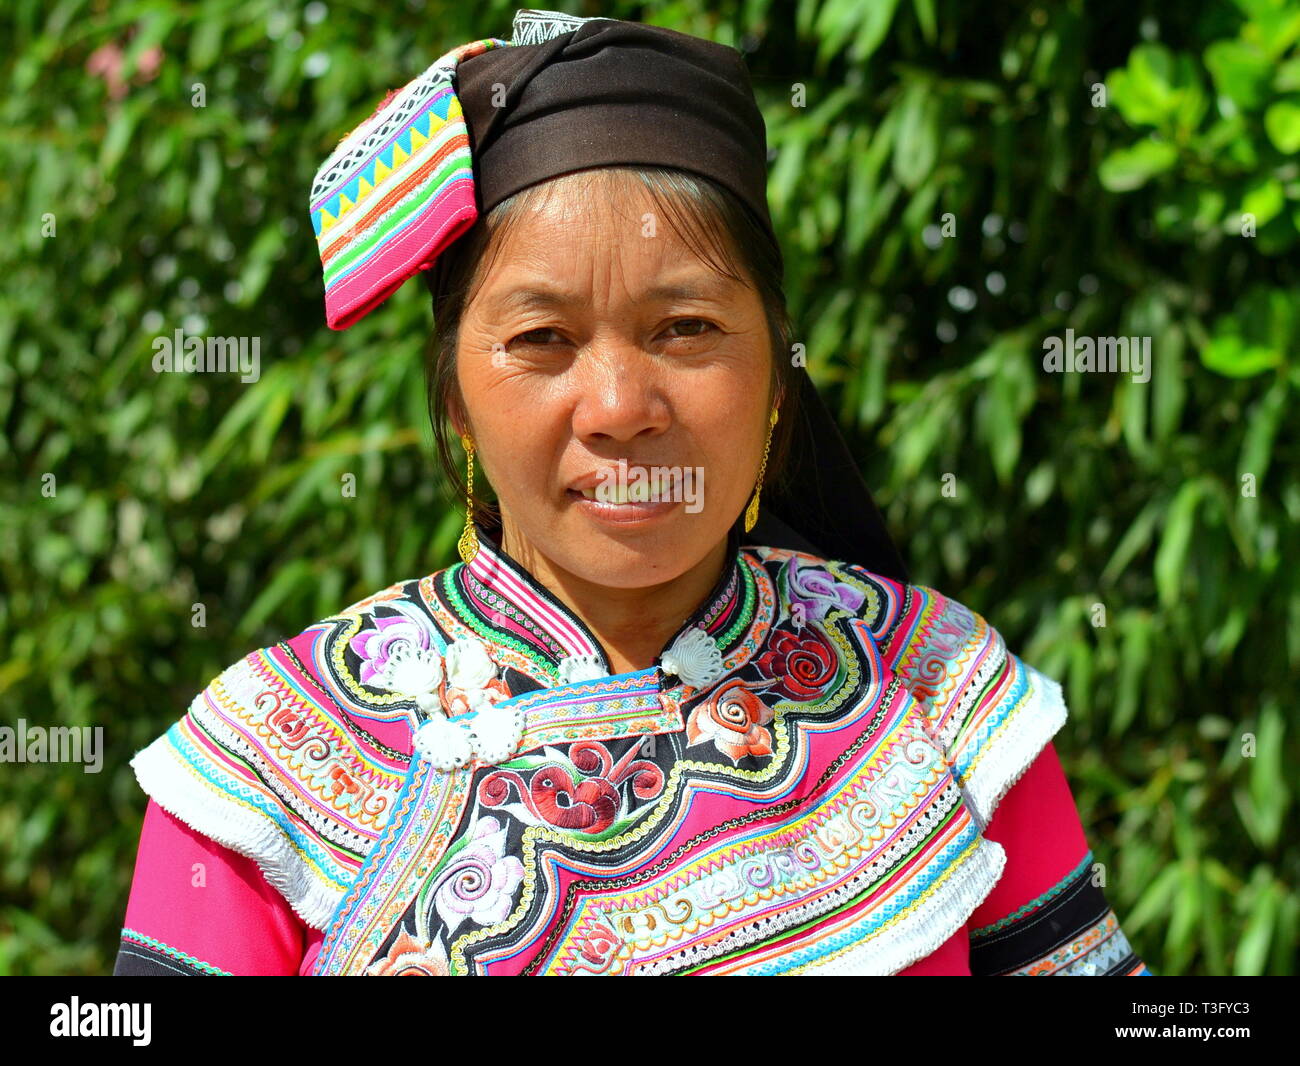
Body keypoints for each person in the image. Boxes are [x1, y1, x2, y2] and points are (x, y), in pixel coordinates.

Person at [112, 8, 1152, 976]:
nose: (618, 405)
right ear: (457, 396)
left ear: (777, 375)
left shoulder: (935, 692)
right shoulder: (272, 762)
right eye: (541, 340)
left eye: (685, 329)